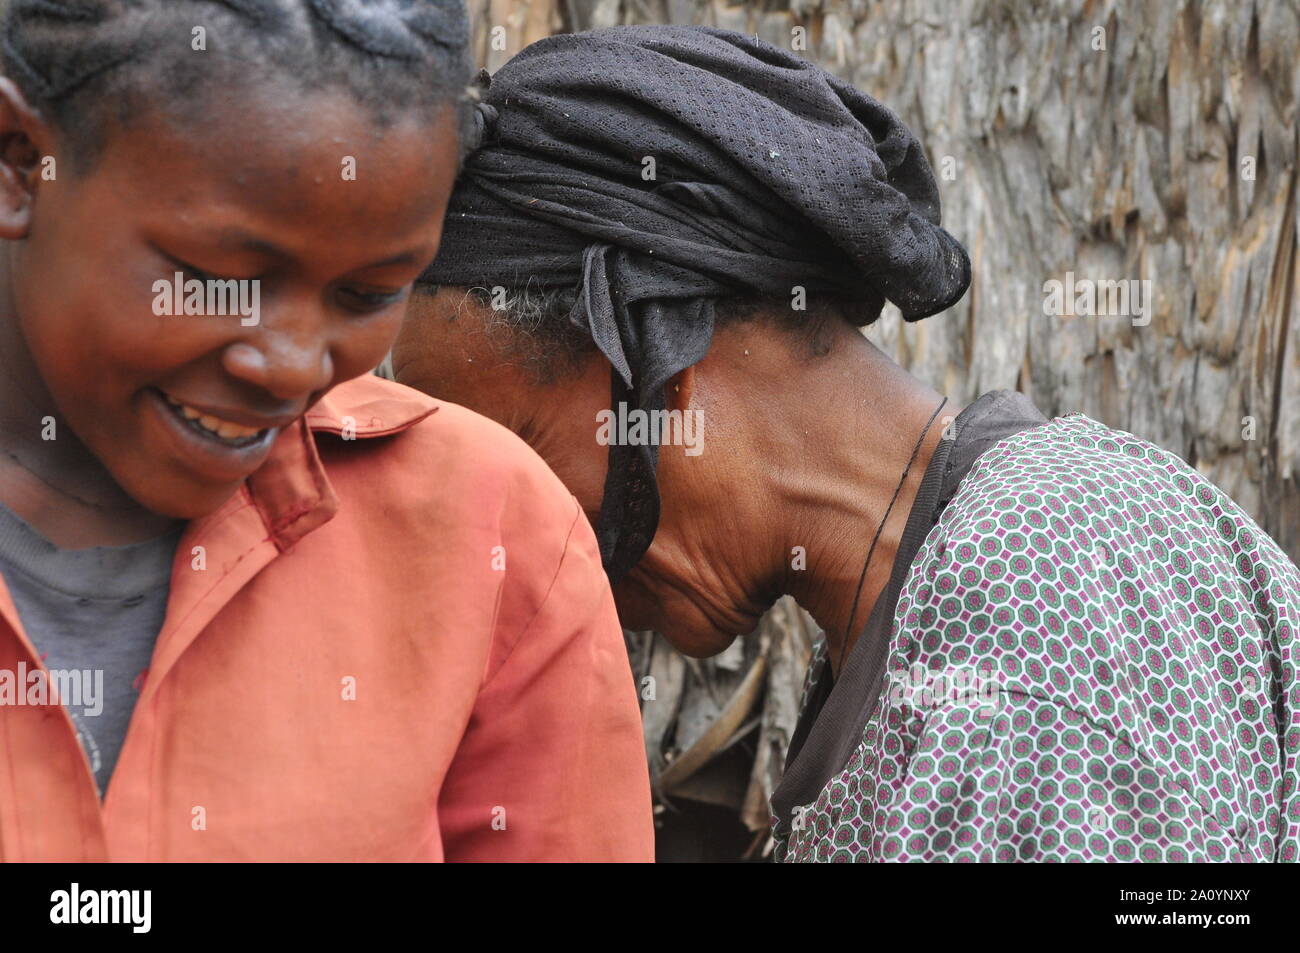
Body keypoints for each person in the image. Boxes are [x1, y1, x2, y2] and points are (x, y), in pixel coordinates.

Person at [395, 24, 1300, 862]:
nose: (523, 551)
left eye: (524, 466)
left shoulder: (1038, 581)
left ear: (661, 356)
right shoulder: (929, 625)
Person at [0, 0, 652, 862]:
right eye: (222, 279)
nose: (294, 364)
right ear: (20, 164)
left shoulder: (492, 537)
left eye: (369, 294)